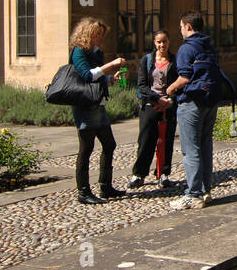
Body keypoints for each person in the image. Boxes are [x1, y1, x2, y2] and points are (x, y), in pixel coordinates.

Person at [165, 11, 220, 210]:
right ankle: (205, 191)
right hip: (210, 102)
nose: (180, 30)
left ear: (188, 26)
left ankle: (193, 194)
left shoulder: (186, 49)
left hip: (192, 103)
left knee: (191, 149)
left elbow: (185, 78)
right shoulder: (210, 46)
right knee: (205, 146)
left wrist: (170, 89)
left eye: (181, 27)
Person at [69, 17, 127, 205]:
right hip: (84, 105)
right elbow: (86, 75)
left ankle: (105, 186)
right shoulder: (78, 52)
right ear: (88, 33)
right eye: (98, 34)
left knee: (109, 144)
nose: (101, 37)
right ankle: (83, 192)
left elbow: (98, 78)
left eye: (102, 34)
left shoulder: (97, 53)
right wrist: (110, 66)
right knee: (86, 148)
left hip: (98, 103)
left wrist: (110, 79)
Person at [129, 29, 178, 190]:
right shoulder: (147, 60)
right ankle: (139, 174)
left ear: (168, 42)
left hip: (168, 106)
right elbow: (142, 86)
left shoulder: (174, 61)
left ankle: (163, 174)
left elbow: (179, 84)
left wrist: (170, 100)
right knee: (145, 140)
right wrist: (157, 98)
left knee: (166, 141)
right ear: (154, 43)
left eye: (164, 41)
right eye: (159, 42)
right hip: (150, 105)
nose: (162, 44)